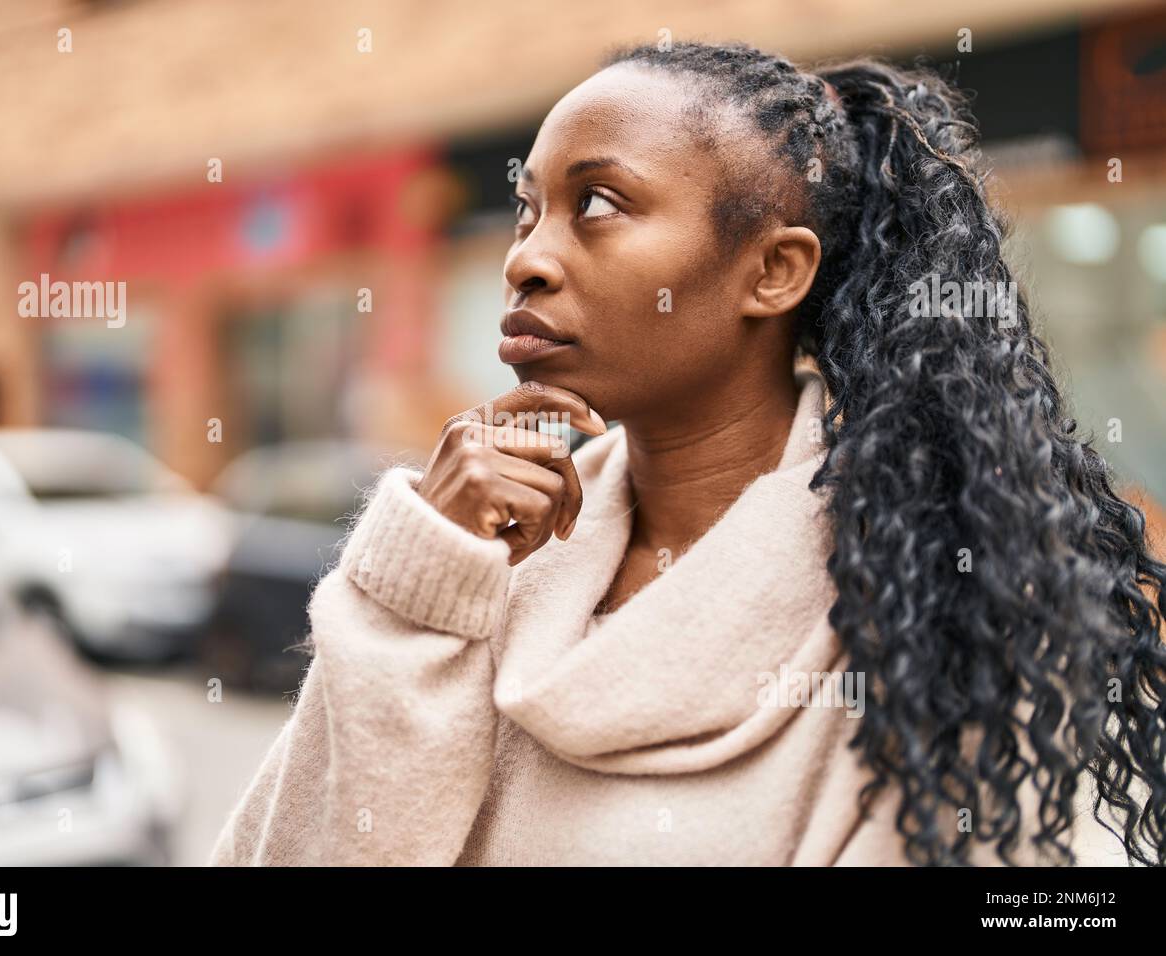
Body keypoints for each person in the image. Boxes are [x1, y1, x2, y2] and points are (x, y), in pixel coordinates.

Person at [209, 40, 1166, 866]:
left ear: (774, 271)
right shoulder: (479, 555)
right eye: (527, 208)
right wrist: (422, 588)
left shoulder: (922, 601)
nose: (526, 257)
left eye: (598, 204)